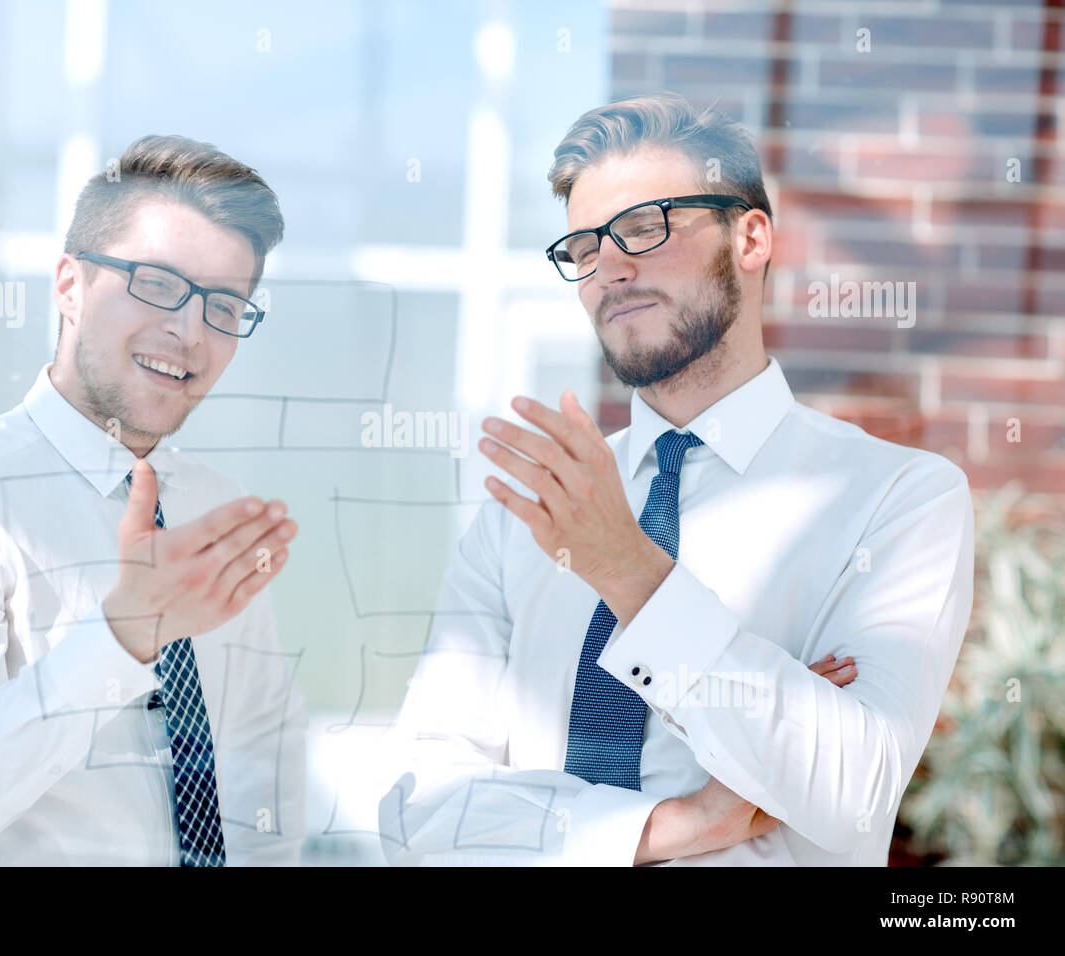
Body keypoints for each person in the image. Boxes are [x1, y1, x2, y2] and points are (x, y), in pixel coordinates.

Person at [378, 93, 974, 866]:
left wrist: (626, 570)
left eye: (643, 227)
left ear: (750, 236)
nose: (610, 268)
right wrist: (680, 823)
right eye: (585, 247)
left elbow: (852, 790)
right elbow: (417, 816)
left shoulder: (898, 499)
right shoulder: (526, 513)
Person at [0, 135, 305, 866]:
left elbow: (263, 760)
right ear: (69, 286)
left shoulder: (220, 509)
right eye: (157, 284)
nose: (189, 332)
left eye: (224, 304)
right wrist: (122, 635)